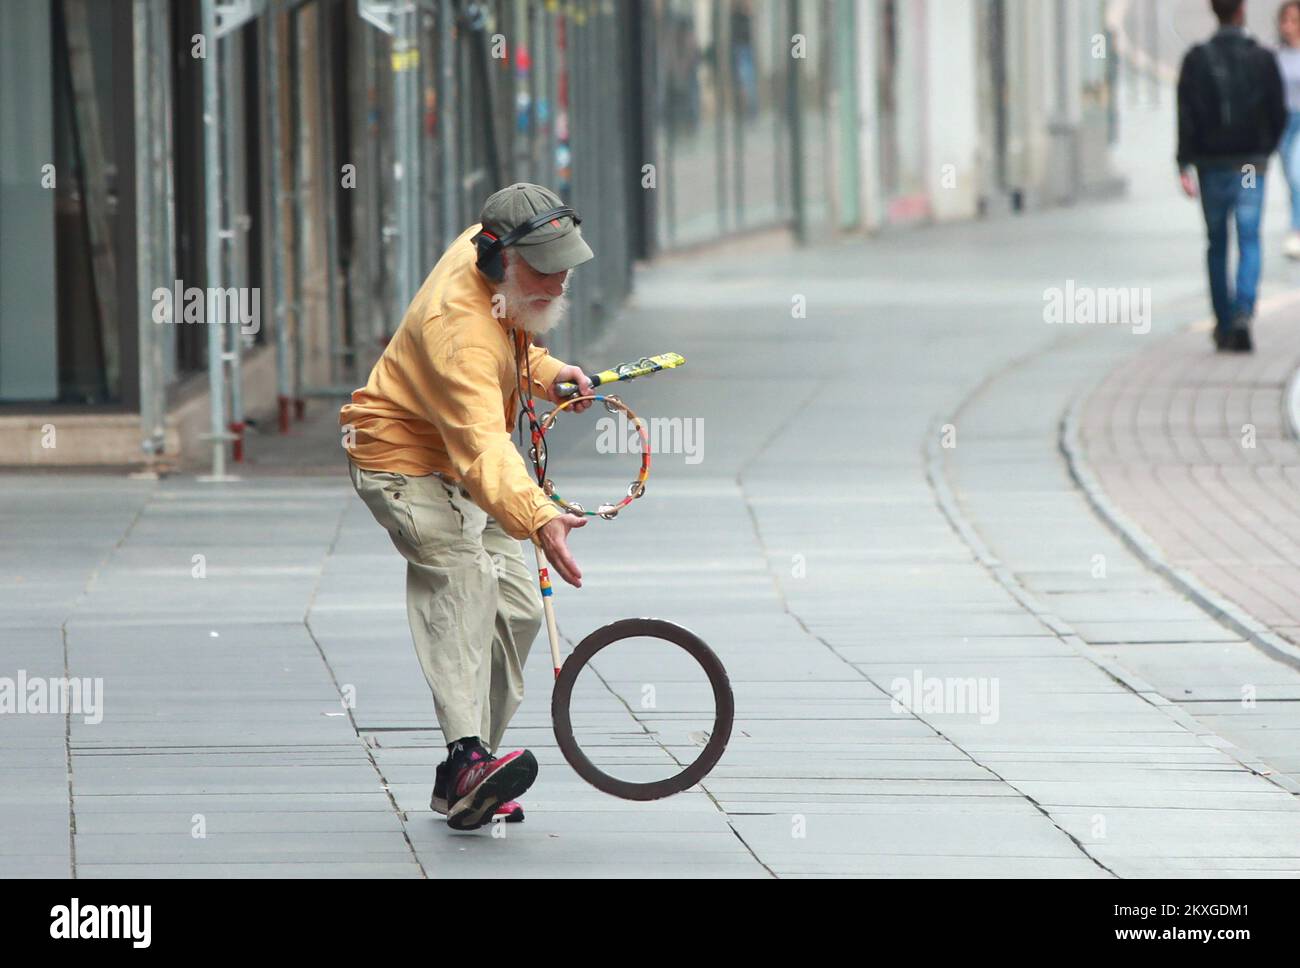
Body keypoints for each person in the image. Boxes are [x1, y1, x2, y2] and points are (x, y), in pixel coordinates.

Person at [339, 184, 595, 831]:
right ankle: (466, 758)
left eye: (564, 265)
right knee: (463, 580)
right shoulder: (460, 328)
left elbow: (513, 344)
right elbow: (484, 443)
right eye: (544, 270)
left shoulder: (494, 255)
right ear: (497, 259)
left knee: (519, 607)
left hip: (463, 464)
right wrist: (539, 515)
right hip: (402, 459)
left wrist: (548, 373)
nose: (558, 283)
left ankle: (470, 780)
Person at [1177, 0, 1288, 352]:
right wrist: (1264, 151)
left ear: (1215, 12)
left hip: (1211, 166)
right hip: (1248, 167)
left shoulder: (1196, 60)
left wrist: (1184, 162)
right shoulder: (1262, 58)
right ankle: (1243, 310)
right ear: (1241, 12)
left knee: (1217, 242)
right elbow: (1278, 111)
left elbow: (1186, 115)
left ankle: (1223, 321)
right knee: (1249, 235)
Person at [1277, 0, 1300, 257]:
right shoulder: (1276, 54)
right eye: (1285, 21)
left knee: (1297, 175)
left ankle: (1296, 230)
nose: (1289, 26)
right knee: (1291, 179)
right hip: (1283, 124)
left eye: (1294, 20)